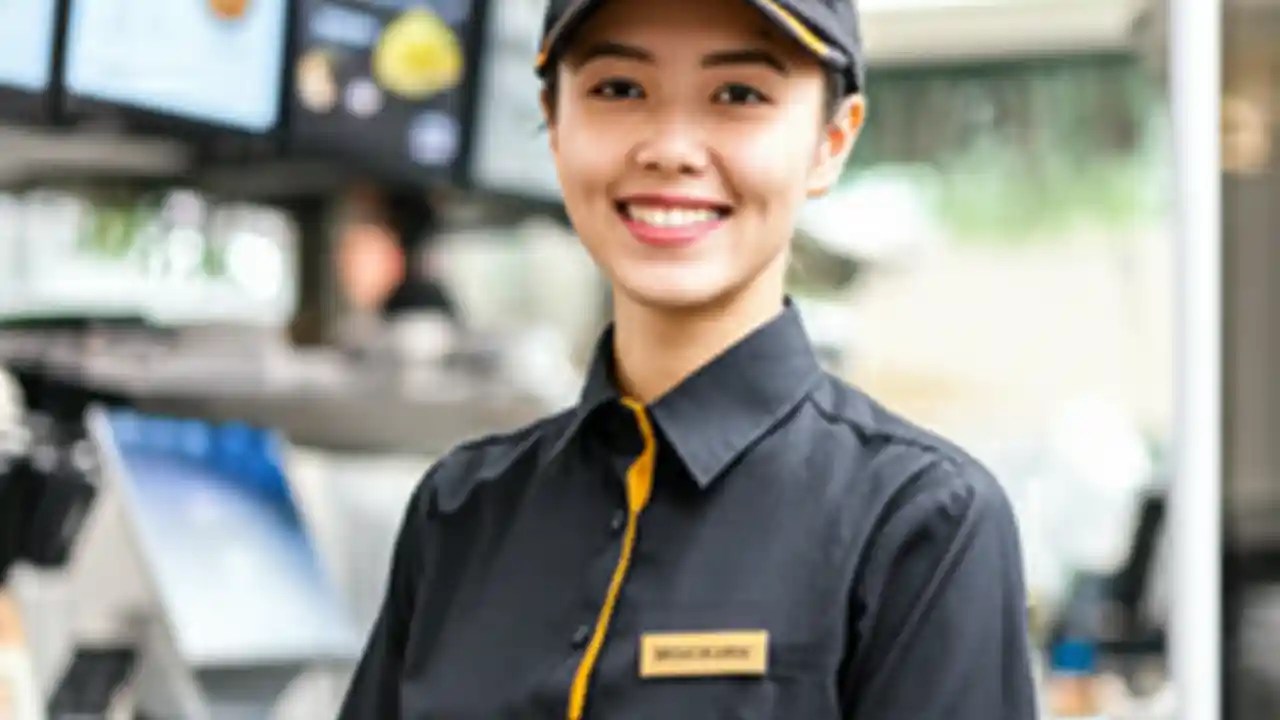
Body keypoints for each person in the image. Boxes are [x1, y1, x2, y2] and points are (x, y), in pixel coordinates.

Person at [338, 0, 1037, 717]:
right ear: (554, 121)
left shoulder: (920, 520)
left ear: (831, 140)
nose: (670, 147)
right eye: (619, 89)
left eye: (738, 95)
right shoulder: (459, 512)